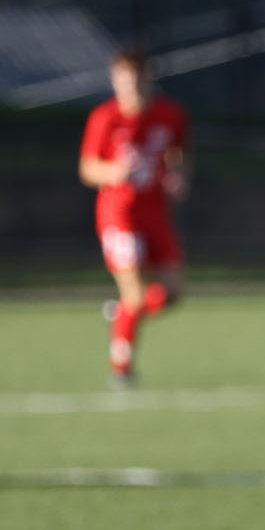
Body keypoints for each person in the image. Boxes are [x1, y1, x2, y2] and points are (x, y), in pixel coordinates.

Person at [78, 48, 190, 388]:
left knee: (173, 292)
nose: (131, 85)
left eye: (137, 77)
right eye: (123, 79)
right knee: (137, 294)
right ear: (115, 81)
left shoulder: (171, 115)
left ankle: (124, 313)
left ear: (148, 78)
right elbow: (87, 169)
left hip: (155, 212)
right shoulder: (105, 118)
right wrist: (114, 171)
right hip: (119, 214)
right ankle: (121, 367)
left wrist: (179, 175)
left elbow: (180, 155)